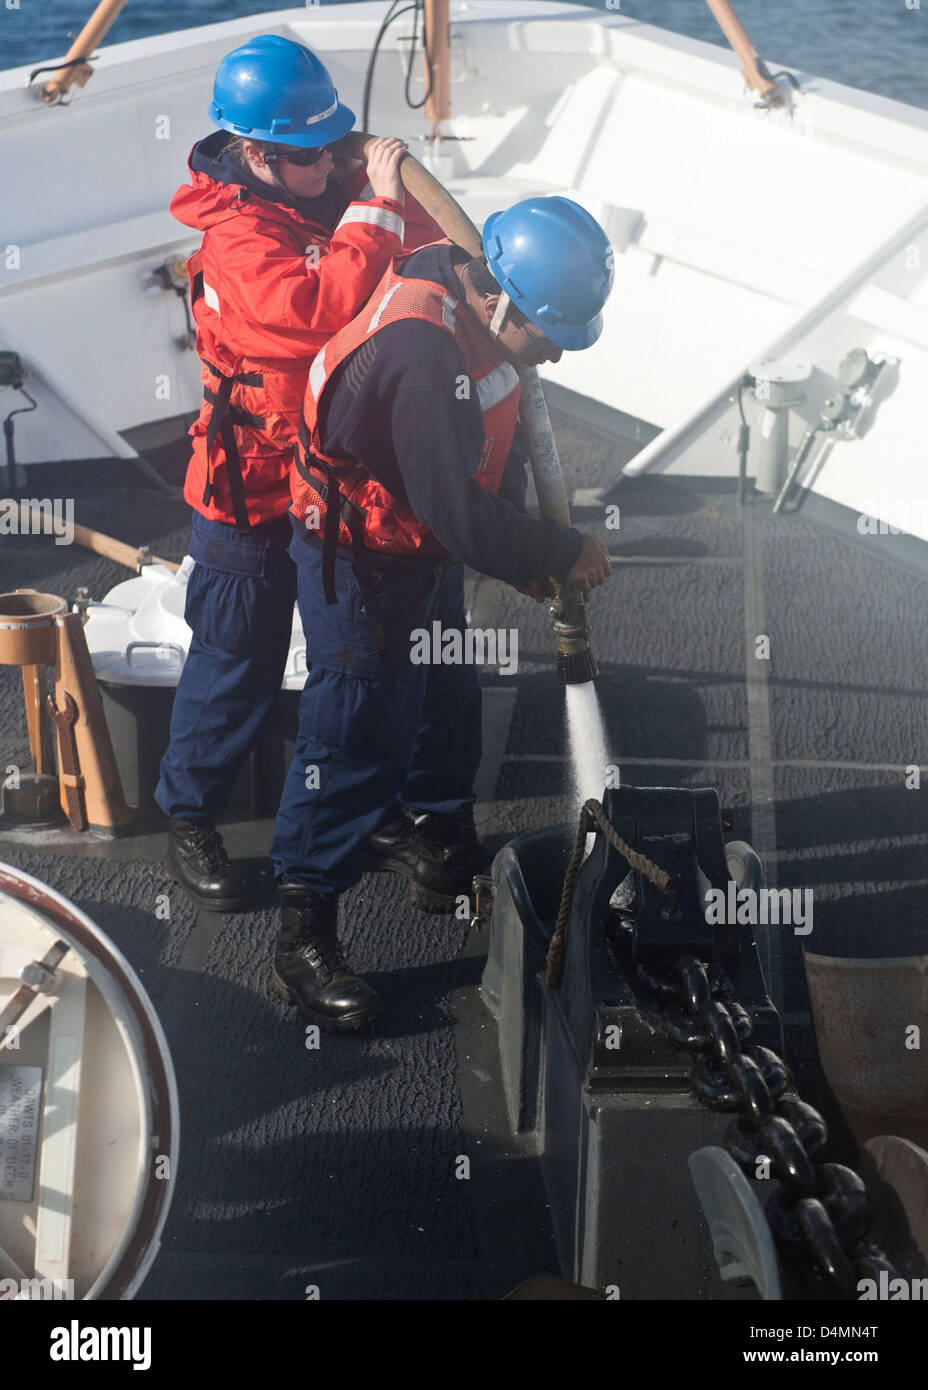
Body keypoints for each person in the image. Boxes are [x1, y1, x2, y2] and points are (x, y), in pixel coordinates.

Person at [267, 195, 615, 1031]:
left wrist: (525, 549)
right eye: (550, 340)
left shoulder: (469, 291)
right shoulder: (424, 354)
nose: (555, 362)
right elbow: (455, 515)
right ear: (500, 302)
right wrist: (557, 552)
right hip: (362, 562)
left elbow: (488, 461)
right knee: (353, 733)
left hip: (416, 551)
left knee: (446, 697)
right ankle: (302, 933)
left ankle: (436, 842)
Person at [154, 34, 443, 910]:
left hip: (336, 484)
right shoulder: (239, 233)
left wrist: (393, 195)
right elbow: (310, 313)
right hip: (250, 483)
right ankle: (190, 816)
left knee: (351, 662)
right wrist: (377, 209)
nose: (320, 169)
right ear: (252, 153)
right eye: (299, 156)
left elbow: (421, 251)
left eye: (330, 149)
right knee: (236, 653)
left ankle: (366, 807)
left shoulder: (336, 191)